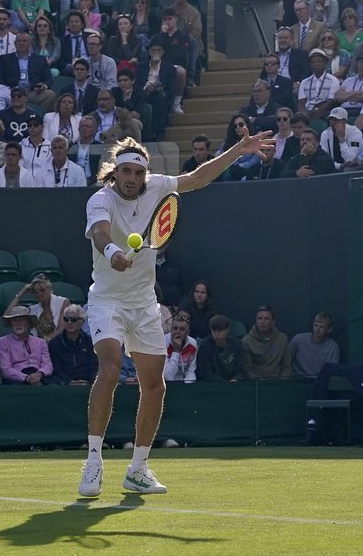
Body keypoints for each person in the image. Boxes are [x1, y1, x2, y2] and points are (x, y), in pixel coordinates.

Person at [79, 130, 273, 497]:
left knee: (155, 384)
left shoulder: (157, 188)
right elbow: (101, 234)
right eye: (126, 173)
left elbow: (198, 177)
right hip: (107, 300)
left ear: (144, 174)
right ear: (115, 174)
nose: (133, 179)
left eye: (138, 173)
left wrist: (238, 149)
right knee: (110, 367)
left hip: (143, 305)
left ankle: (137, 469)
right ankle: (93, 462)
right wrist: (112, 255)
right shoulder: (99, 200)